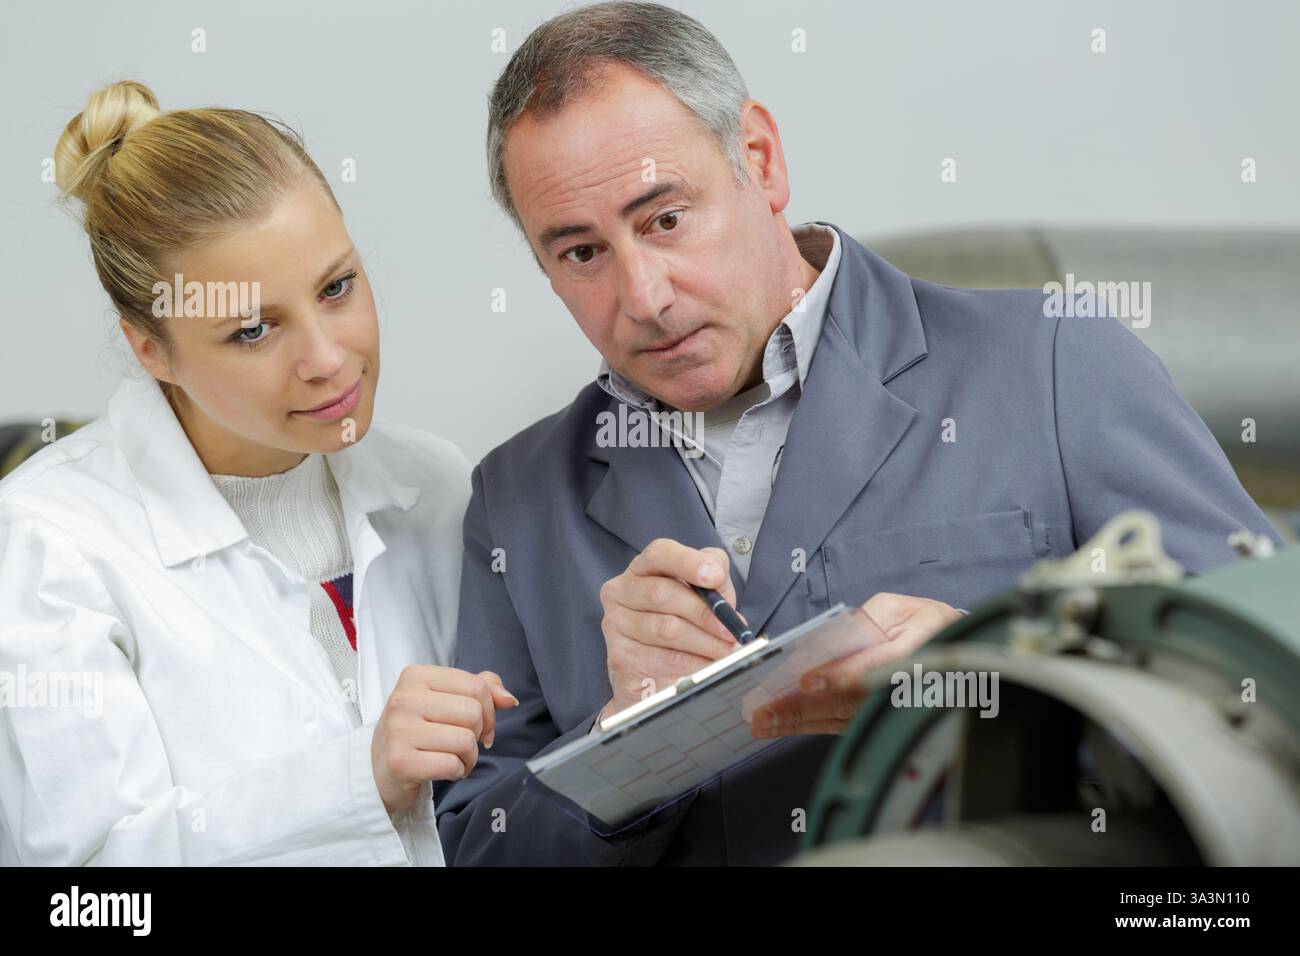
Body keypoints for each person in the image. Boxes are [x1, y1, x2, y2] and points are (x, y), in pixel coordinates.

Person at [434, 1, 1282, 866]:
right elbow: (480, 844)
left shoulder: (1057, 360)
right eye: (581, 252)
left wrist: (994, 676)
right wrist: (621, 743)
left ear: (758, 159)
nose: (644, 296)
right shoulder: (516, 498)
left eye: (664, 219)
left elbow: (1265, 703)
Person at [0, 81, 514, 865]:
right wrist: (355, 781)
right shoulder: (49, 542)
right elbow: (88, 896)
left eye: (337, 287)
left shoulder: (435, 483)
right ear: (150, 348)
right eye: (251, 330)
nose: (329, 358)